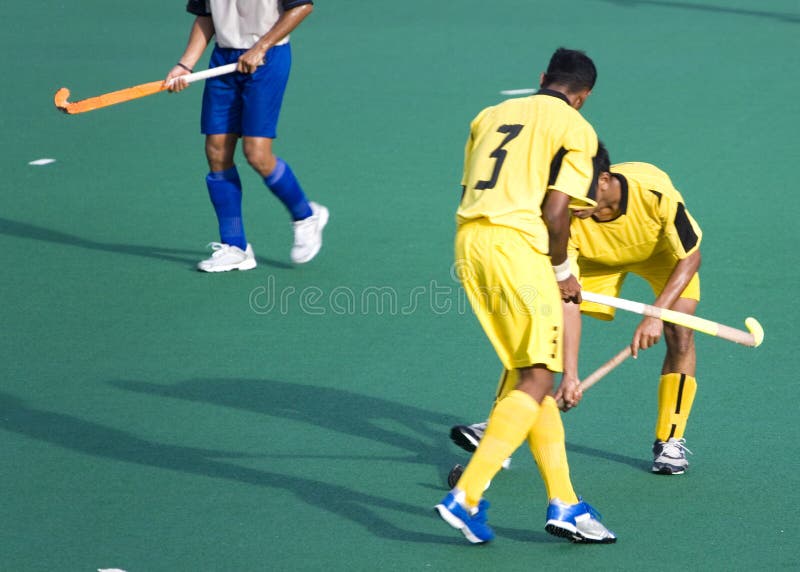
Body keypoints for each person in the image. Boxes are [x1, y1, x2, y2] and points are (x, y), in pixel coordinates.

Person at [435, 48, 616, 545]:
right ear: (583, 97)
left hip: (469, 241)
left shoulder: (488, 115)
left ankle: (565, 503)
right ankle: (466, 496)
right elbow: (557, 212)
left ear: (542, 78)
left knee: (528, 373)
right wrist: (562, 272)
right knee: (539, 374)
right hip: (517, 247)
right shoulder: (576, 129)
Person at [451, 143, 703, 475]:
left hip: (660, 255)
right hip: (594, 260)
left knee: (679, 332)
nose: (569, 202)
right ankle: (502, 419)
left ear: (603, 180)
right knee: (544, 331)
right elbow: (566, 302)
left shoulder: (655, 196)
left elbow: (690, 256)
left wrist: (655, 314)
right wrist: (569, 375)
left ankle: (670, 440)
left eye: (576, 193)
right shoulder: (565, 216)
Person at [166, 0, 328, 271]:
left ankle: (306, 216)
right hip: (224, 59)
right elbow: (206, 17)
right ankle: (235, 247)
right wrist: (185, 65)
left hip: (268, 58)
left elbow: (302, 7)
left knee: (256, 153)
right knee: (216, 151)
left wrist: (260, 46)